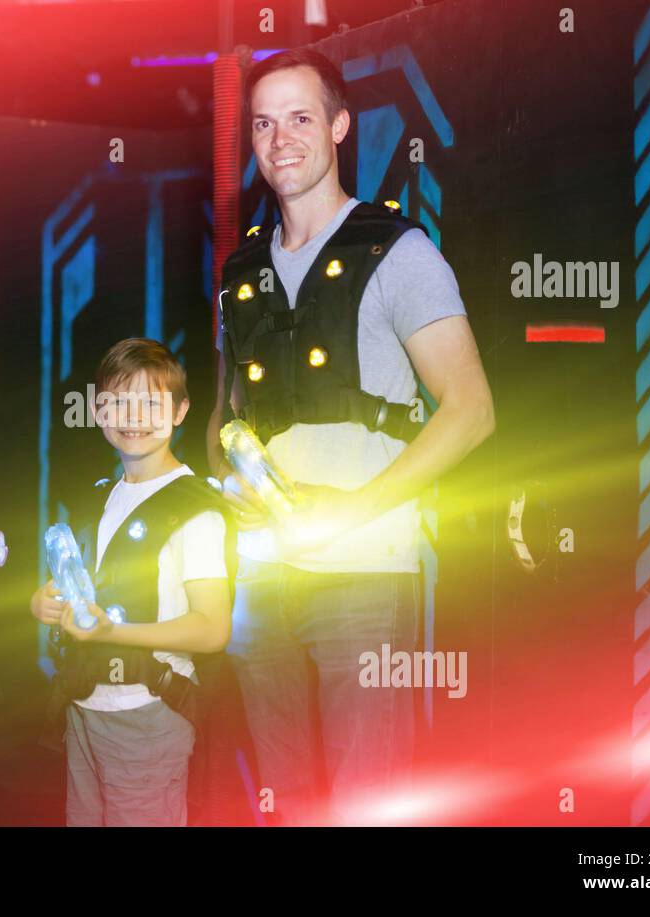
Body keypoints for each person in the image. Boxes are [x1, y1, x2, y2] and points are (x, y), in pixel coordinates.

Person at [206, 48, 496, 825]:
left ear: (338, 125)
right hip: (262, 581)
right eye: (263, 123)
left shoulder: (397, 251)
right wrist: (229, 481)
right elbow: (225, 416)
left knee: (366, 803)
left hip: (365, 572)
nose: (280, 139)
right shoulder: (240, 271)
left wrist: (358, 505)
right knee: (284, 799)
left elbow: (472, 409)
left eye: (300, 117)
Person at [31, 338, 235, 827]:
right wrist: (47, 602)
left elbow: (212, 629)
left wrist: (111, 634)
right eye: (118, 401)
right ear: (99, 410)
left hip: (147, 710)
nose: (133, 415)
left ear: (181, 411)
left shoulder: (196, 507)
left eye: (150, 402)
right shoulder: (101, 498)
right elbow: (86, 593)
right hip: (84, 705)